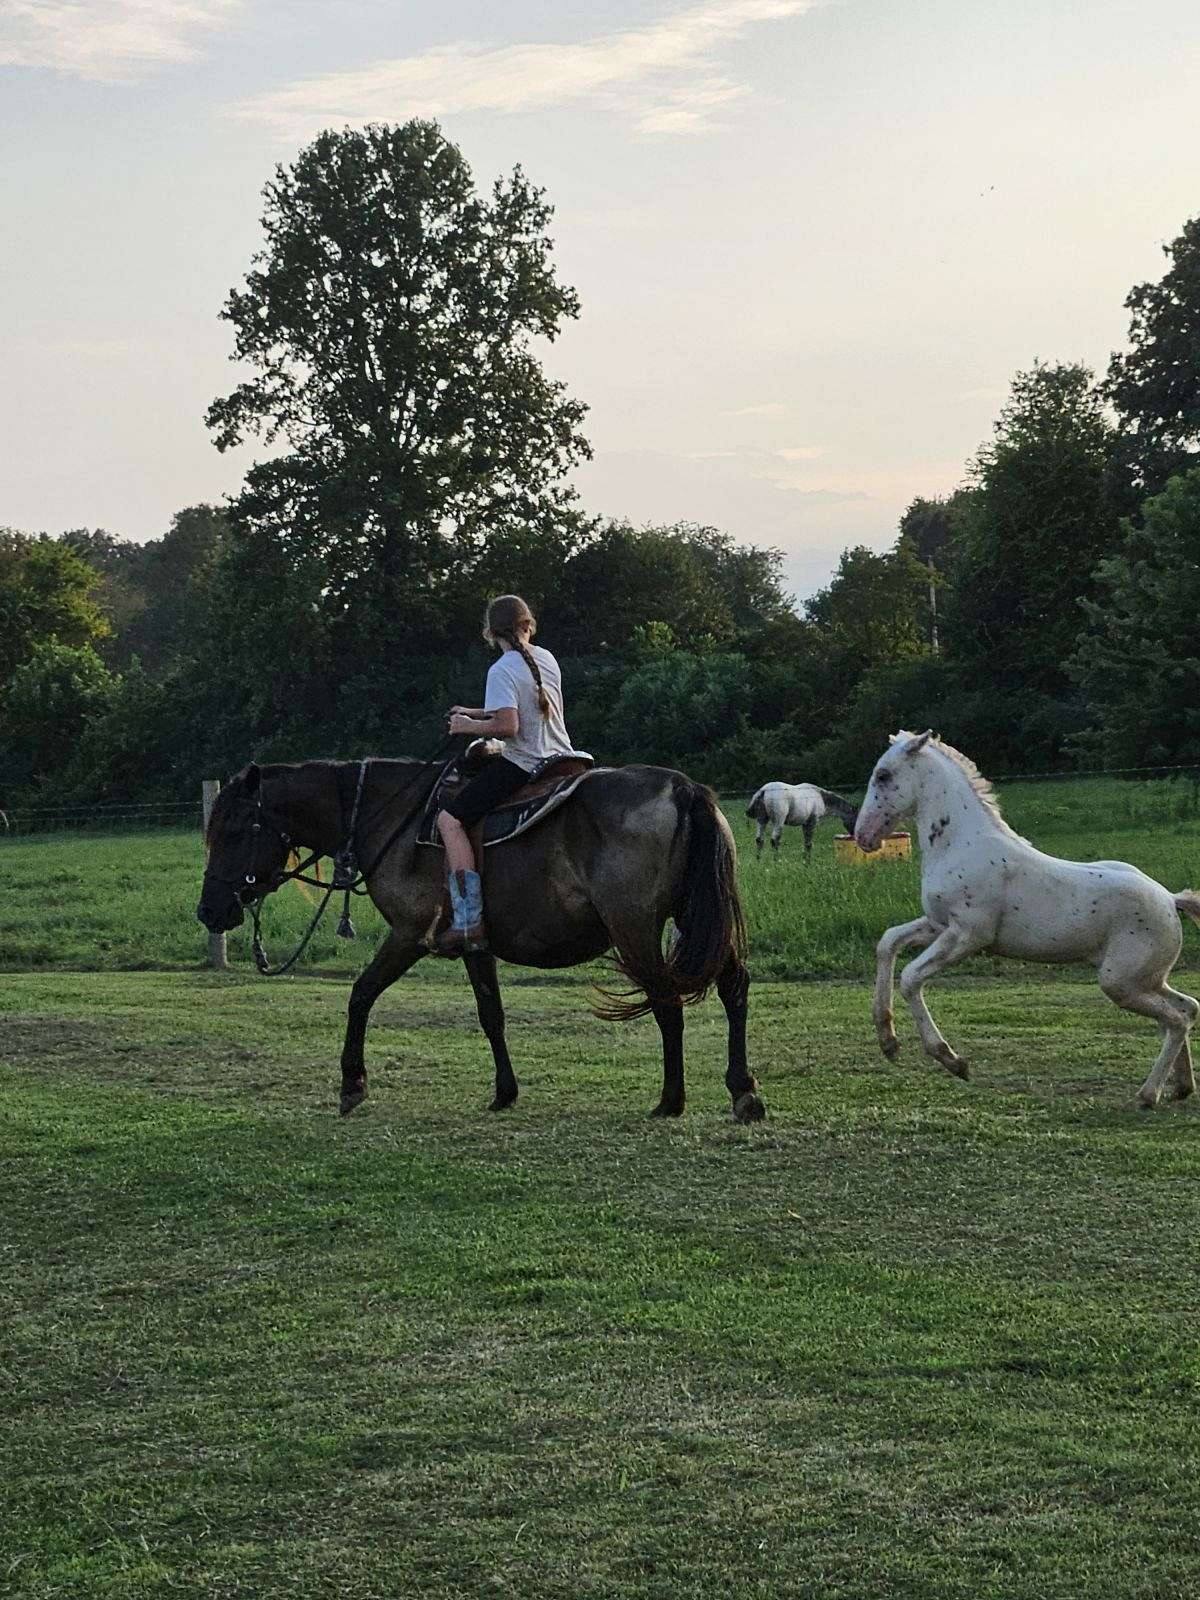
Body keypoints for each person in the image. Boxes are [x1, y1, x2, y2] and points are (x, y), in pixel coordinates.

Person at [436, 594, 583, 953]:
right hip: (563, 757)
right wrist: (473, 710)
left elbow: (508, 725)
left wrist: (465, 725)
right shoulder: (545, 658)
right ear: (527, 625)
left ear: (489, 632)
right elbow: (524, 706)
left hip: (525, 764)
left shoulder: (501, 668)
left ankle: (468, 922)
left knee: (449, 820)